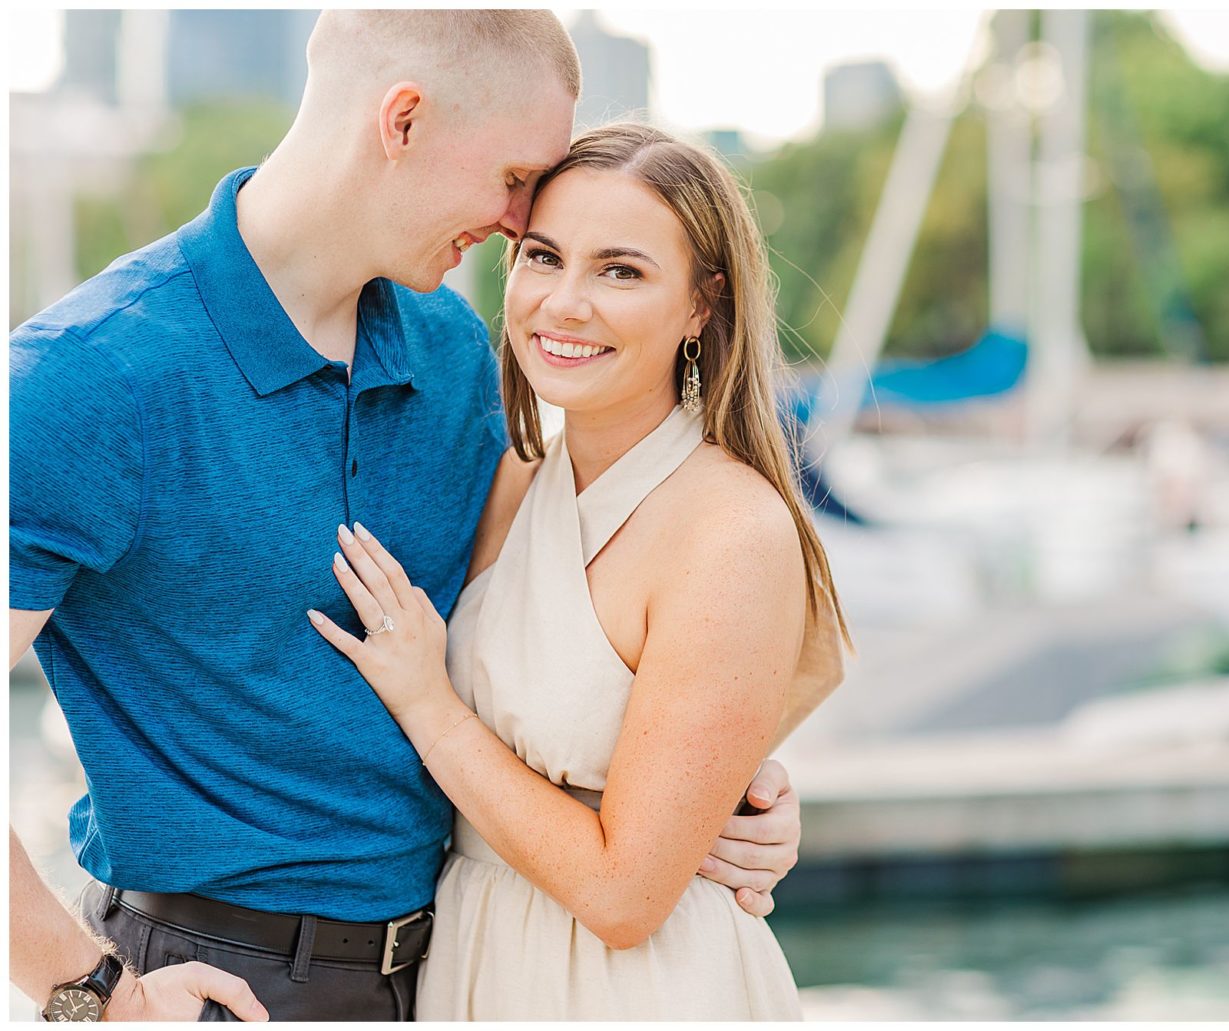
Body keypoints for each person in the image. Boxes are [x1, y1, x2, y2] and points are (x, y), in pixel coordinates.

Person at [10, 12, 804, 1023]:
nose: (519, 220)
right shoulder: (85, 377)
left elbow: (555, 633)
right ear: (404, 120)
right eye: (517, 177)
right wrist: (88, 990)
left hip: (445, 971)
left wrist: (722, 789)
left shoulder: (451, 353)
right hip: (210, 981)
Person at [307, 121, 849, 1020]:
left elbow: (625, 895)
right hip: (474, 955)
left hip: (630, 986)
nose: (564, 302)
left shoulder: (730, 529)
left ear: (702, 305)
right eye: (543, 256)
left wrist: (426, 703)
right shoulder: (515, 478)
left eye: (621, 270)